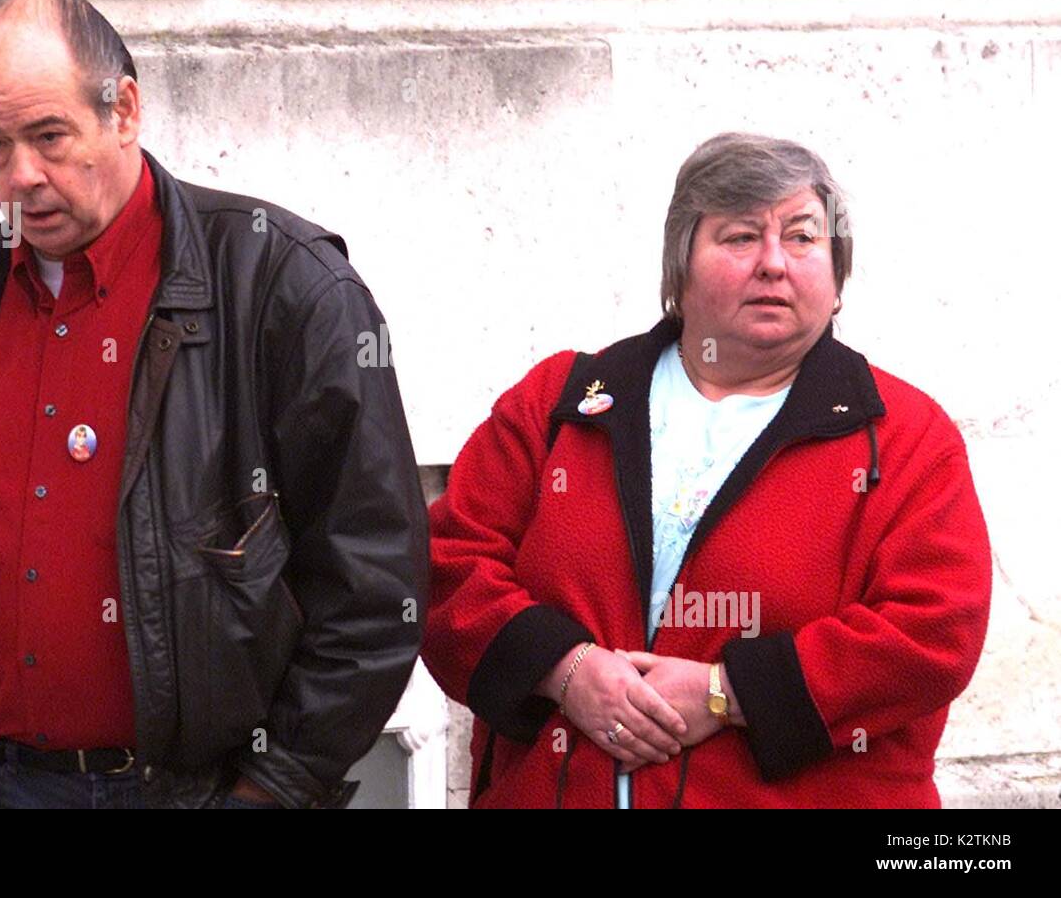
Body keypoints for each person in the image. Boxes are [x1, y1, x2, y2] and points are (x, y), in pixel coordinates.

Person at [0, 0, 428, 810]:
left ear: (124, 109)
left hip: (196, 793)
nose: (22, 175)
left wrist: (270, 789)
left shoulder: (281, 288)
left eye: (49, 137)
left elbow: (376, 588)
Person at [422, 132, 992, 808]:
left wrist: (728, 693)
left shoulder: (902, 437)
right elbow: (444, 564)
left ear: (838, 276)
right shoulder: (560, 404)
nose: (774, 263)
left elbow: (933, 628)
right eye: (740, 236)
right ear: (679, 269)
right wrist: (566, 670)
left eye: (804, 237)